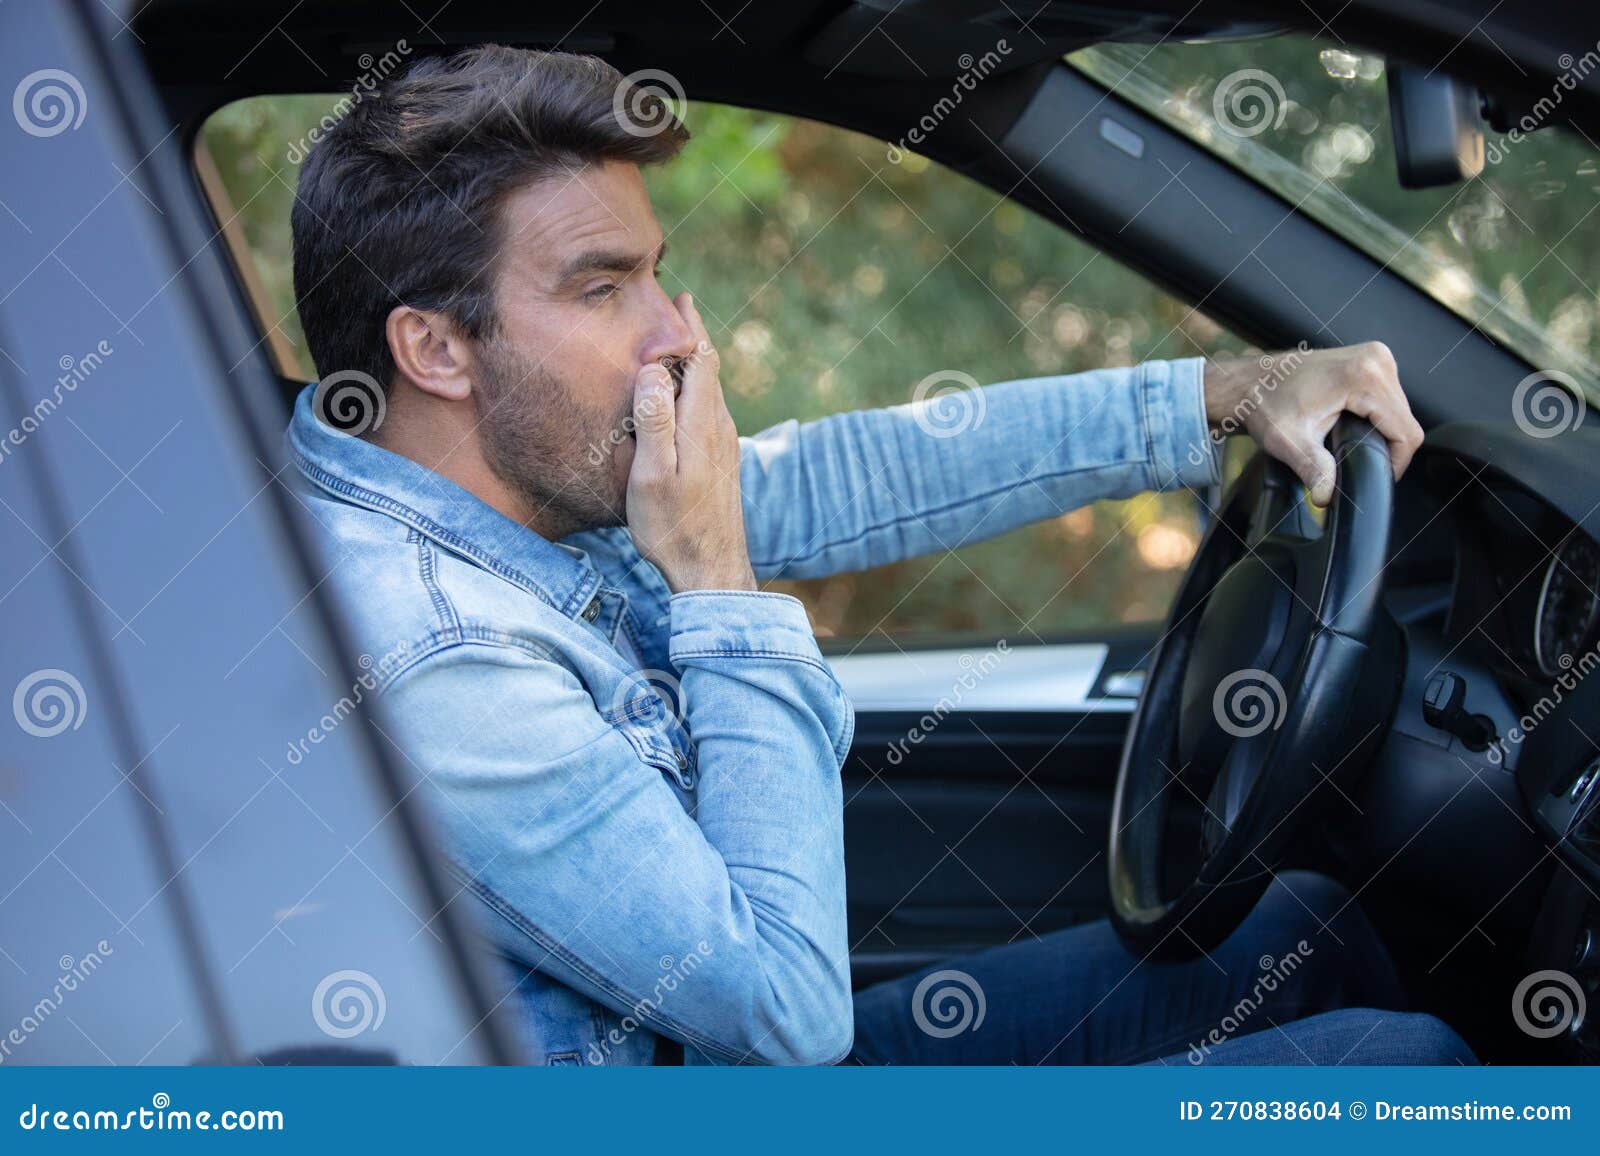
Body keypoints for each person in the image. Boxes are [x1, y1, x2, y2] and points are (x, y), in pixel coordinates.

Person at [284, 44, 1469, 1065]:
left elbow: (851, 477)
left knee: (1303, 933)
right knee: (1406, 1074)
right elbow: (790, 1014)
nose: (677, 337)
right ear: (435, 347)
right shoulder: (425, 647)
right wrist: (715, 580)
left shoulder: (507, 491)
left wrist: (1224, 393)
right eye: (603, 289)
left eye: (657, 273)